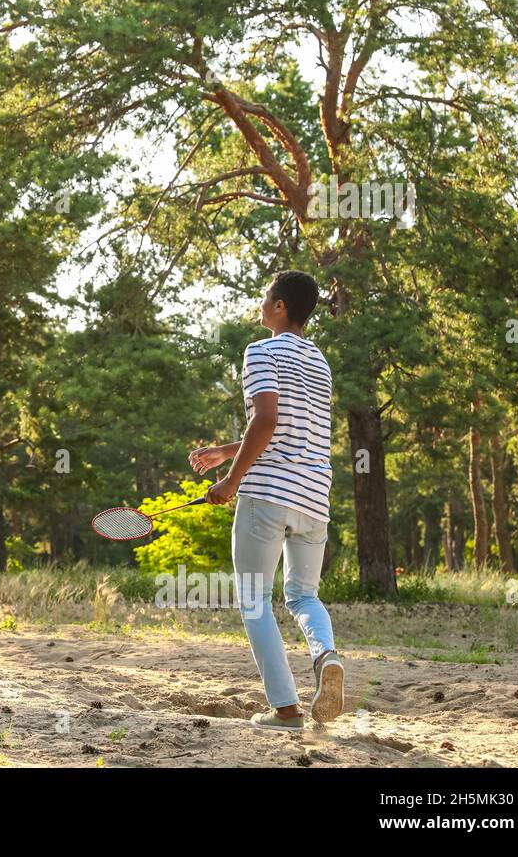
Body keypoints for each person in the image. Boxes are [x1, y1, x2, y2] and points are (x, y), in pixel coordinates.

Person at [189, 270, 344, 730]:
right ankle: (326, 657)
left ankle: (287, 709)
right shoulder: (320, 362)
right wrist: (225, 452)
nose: (260, 301)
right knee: (303, 595)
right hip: (315, 497)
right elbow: (293, 433)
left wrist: (231, 481)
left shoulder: (260, 351)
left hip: (267, 495)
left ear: (279, 306)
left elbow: (268, 420)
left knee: (254, 599)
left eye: (265, 295)